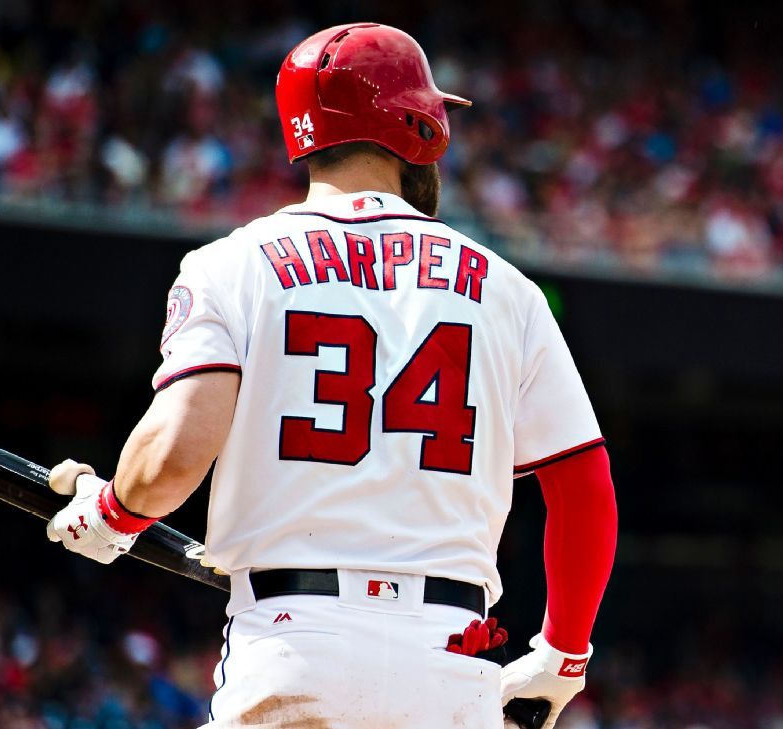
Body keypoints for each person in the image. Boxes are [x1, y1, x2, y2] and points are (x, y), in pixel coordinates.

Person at [44, 22, 617, 729]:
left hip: (292, 641)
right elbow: (584, 488)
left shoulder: (232, 264)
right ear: (419, 127)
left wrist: (111, 514)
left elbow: (170, 460)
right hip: (451, 659)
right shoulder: (508, 288)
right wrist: (561, 655)